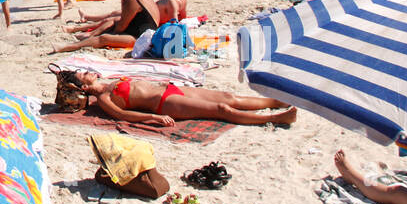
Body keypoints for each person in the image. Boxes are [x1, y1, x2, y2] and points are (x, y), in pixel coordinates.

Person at [56, 70, 297, 127]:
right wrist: (153, 118)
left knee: (227, 96)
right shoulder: (105, 99)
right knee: (221, 108)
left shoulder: (110, 80)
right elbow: (124, 115)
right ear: (84, 87)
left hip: (170, 89)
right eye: (83, 74)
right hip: (165, 104)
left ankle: (275, 101)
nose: (88, 71)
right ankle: (278, 118)